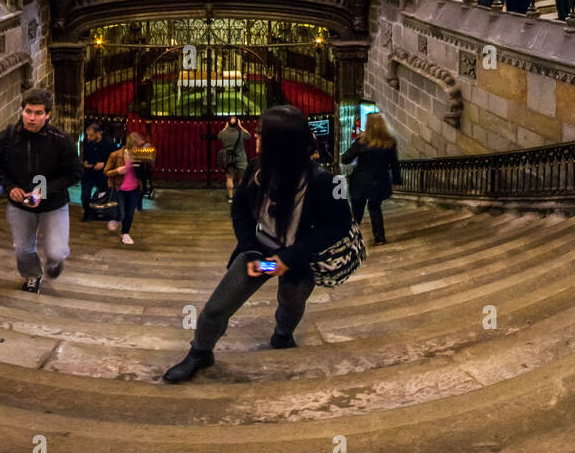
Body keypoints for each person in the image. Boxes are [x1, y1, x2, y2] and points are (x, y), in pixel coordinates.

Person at [163, 103, 354, 382]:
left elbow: (340, 225)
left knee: (291, 302)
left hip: (297, 260)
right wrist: (250, 248)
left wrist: (288, 258)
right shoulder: (257, 170)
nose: (256, 139)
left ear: (281, 143)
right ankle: (201, 352)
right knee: (217, 307)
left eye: (262, 134)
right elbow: (239, 209)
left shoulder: (327, 181)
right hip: (260, 253)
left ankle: (282, 334)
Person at [0, 88, 82, 291]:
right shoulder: (6, 138)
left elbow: (74, 173)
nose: (32, 118)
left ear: (47, 115)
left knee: (56, 251)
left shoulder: (61, 140)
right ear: (21, 111)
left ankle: (55, 262)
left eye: (38, 113)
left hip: (53, 204)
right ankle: (32, 275)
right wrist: (10, 187)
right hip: (20, 204)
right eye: (28, 111)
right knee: (22, 248)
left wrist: (44, 190)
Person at [348, 114, 399, 246]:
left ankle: (351, 239)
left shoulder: (361, 142)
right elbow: (394, 164)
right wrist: (396, 181)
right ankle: (379, 237)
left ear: (368, 126)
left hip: (361, 182)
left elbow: (345, 159)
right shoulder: (390, 143)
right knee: (375, 207)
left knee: (357, 212)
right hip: (380, 182)